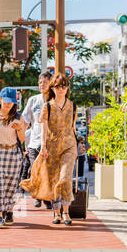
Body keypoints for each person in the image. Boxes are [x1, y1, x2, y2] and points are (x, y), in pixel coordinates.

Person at [37, 75, 79, 225]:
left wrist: (79, 145)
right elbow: (44, 129)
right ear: (52, 88)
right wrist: (43, 146)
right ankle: (56, 213)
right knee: (54, 180)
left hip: (69, 146)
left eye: (63, 86)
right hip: (52, 146)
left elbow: (73, 128)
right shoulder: (47, 106)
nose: (60, 89)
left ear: (67, 88)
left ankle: (66, 212)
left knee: (65, 178)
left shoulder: (73, 106)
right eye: (57, 86)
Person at [0, 88, 28, 229]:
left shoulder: (18, 117)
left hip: (13, 154)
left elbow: (21, 139)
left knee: (10, 188)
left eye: (12, 102)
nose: (9, 104)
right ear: (0, 99)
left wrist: (19, 129)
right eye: (6, 101)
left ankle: (9, 211)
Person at [21, 69, 55, 208]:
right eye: (40, 82)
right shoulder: (33, 100)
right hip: (34, 142)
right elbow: (25, 120)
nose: (42, 85)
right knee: (34, 169)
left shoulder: (54, 101)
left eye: (45, 82)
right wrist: (21, 141)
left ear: (51, 84)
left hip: (50, 142)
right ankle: (36, 195)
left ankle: (45, 198)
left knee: (46, 170)